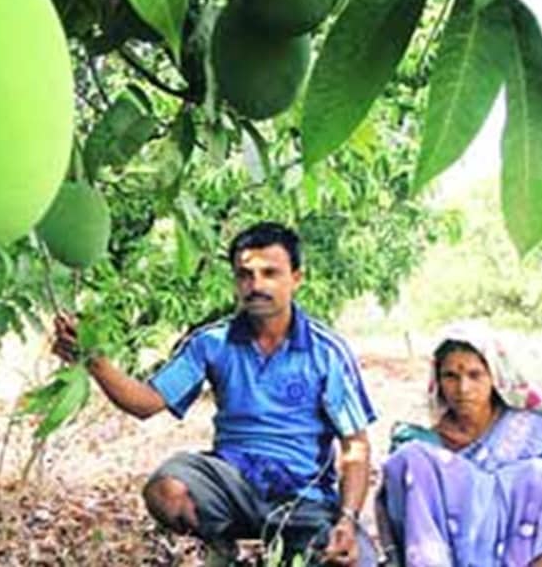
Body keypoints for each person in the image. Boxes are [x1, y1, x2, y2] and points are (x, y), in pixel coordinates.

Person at [52, 221, 377, 565]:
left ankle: (295, 549)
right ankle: (224, 551)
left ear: (296, 278)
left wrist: (348, 519)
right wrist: (93, 360)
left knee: (351, 559)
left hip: (302, 497)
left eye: (270, 273)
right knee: (167, 490)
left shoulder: (326, 352)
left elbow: (355, 444)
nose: (256, 285)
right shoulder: (212, 343)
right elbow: (144, 404)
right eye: (245, 275)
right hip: (232, 481)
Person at [376, 324, 542, 567]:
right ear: (437, 382)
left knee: (541, 475)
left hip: (524, 560)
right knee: (410, 459)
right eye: (450, 376)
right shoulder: (422, 444)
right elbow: (389, 511)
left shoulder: (531, 428)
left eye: (475, 375)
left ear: (496, 378)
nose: (463, 388)